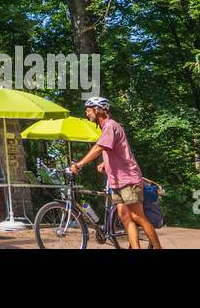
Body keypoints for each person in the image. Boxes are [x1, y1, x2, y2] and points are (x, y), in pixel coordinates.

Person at [70, 96, 163, 249]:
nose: (87, 114)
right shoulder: (105, 128)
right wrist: (105, 163)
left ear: (98, 110)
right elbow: (115, 151)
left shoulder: (110, 126)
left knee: (137, 217)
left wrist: (79, 164)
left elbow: (99, 147)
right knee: (126, 217)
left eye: (89, 110)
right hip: (117, 182)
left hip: (128, 180)